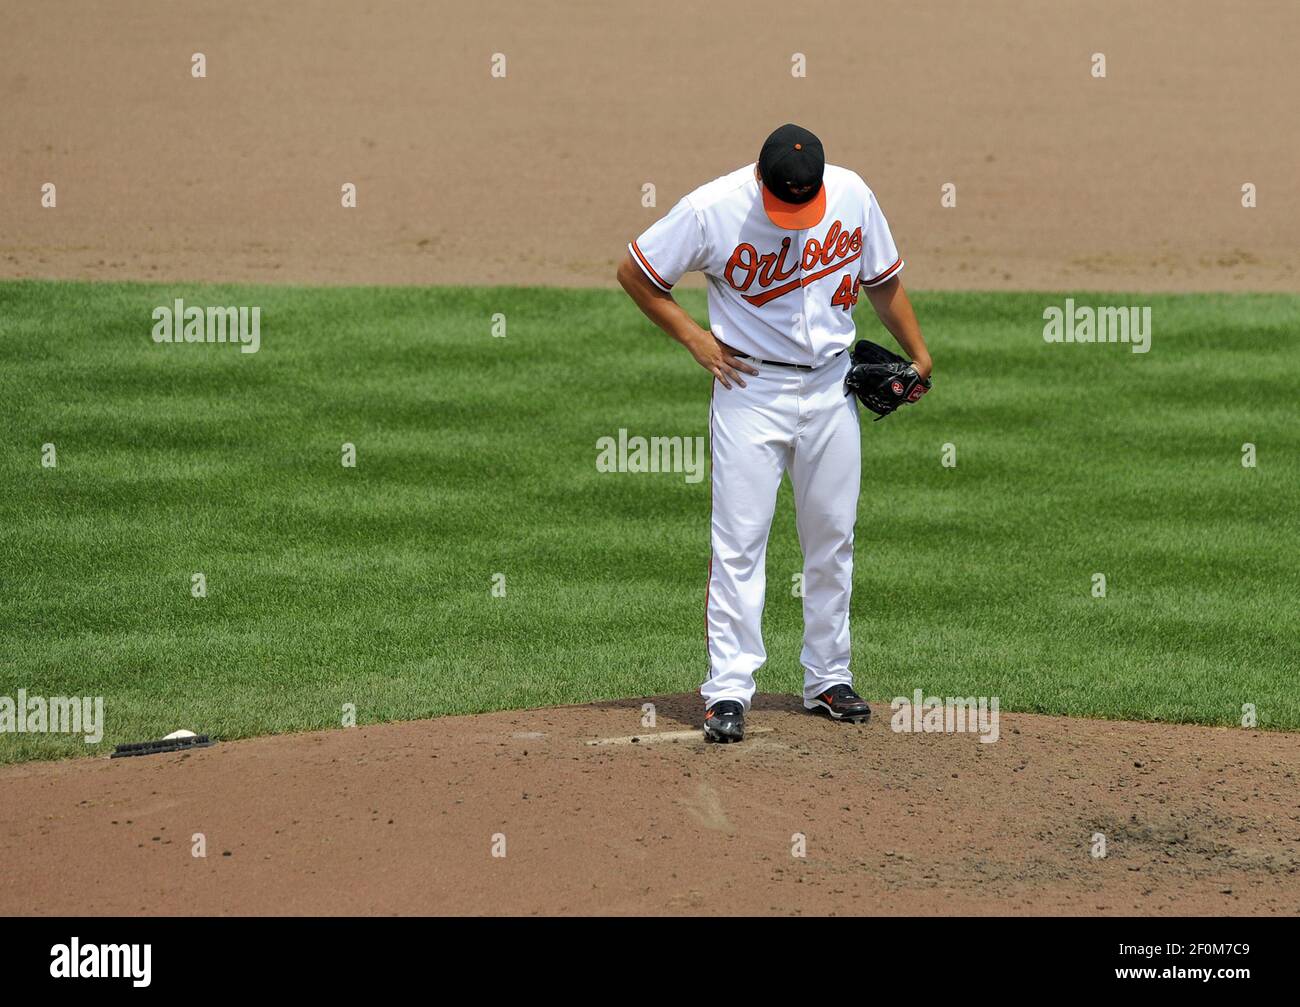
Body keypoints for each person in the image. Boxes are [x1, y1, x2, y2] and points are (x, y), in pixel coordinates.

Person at [616, 124, 932, 743]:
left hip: (832, 388)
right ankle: (728, 689)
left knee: (832, 537)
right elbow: (636, 273)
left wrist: (919, 355)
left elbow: (882, 280)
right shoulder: (712, 209)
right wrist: (694, 337)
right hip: (748, 390)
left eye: (803, 205)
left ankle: (828, 678)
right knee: (739, 543)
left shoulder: (850, 194)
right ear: (760, 182)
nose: (794, 216)